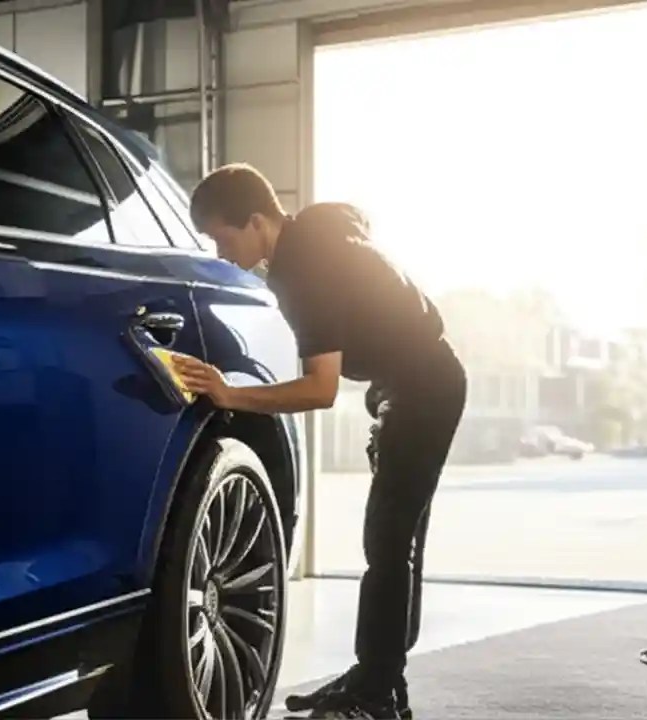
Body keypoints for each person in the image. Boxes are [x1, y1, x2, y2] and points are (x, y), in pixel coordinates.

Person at [172, 163, 468, 720]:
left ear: (256, 222)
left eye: (222, 236)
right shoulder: (320, 226)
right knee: (396, 544)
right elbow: (361, 225)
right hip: (408, 381)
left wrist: (229, 395)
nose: (219, 251)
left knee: (386, 543)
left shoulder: (300, 272)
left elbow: (319, 388)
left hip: (424, 387)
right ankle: (379, 680)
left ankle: (379, 692)